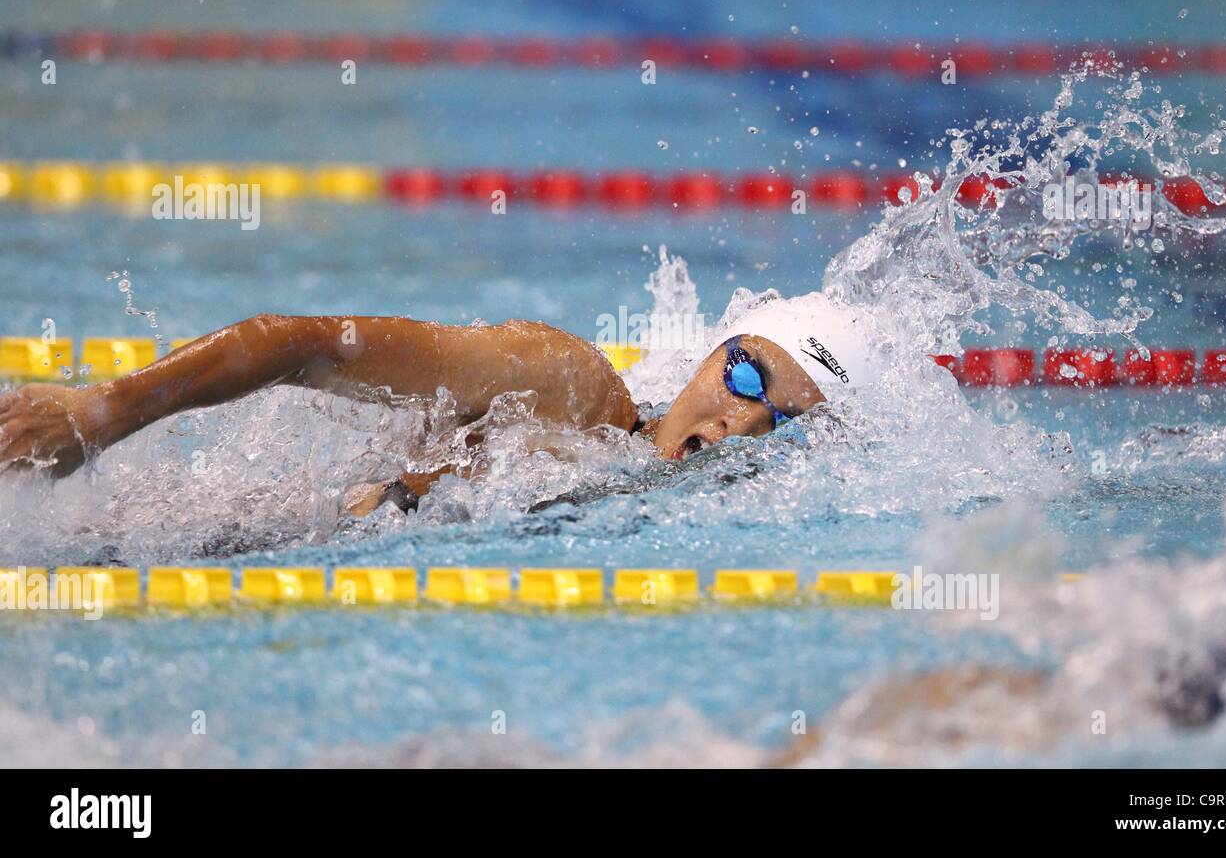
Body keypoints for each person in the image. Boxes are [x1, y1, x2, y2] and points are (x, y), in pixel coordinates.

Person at [0, 295, 871, 514]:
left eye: (785, 420)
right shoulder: (571, 387)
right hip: (246, 545)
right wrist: (98, 415)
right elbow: (301, 342)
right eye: (747, 378)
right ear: (713, 351)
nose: (740, 423)